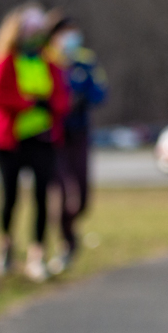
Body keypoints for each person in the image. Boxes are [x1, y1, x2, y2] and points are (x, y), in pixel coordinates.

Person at [0, 4, 70, 282]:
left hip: (42, 140)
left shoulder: (49, 62)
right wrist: (28, 102)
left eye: (38, 31)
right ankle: (5, 245)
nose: (34, 36)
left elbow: (62, 98)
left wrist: (49, 105)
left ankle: (37, 254)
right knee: (10, 197)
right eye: (29, 31)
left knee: (42, 197)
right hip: (10, 141)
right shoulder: (5, 60)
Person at [45, 15, 107, 275]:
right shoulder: (46, 60)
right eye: (65, 33)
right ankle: (66, 242)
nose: (70, 38)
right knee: (61, 192)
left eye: (73, 32)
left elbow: (101, 92)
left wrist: (82, 97)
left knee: (81, 196)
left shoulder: (85, 59)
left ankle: (70, 228)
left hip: (79, 133)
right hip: (55, 135)